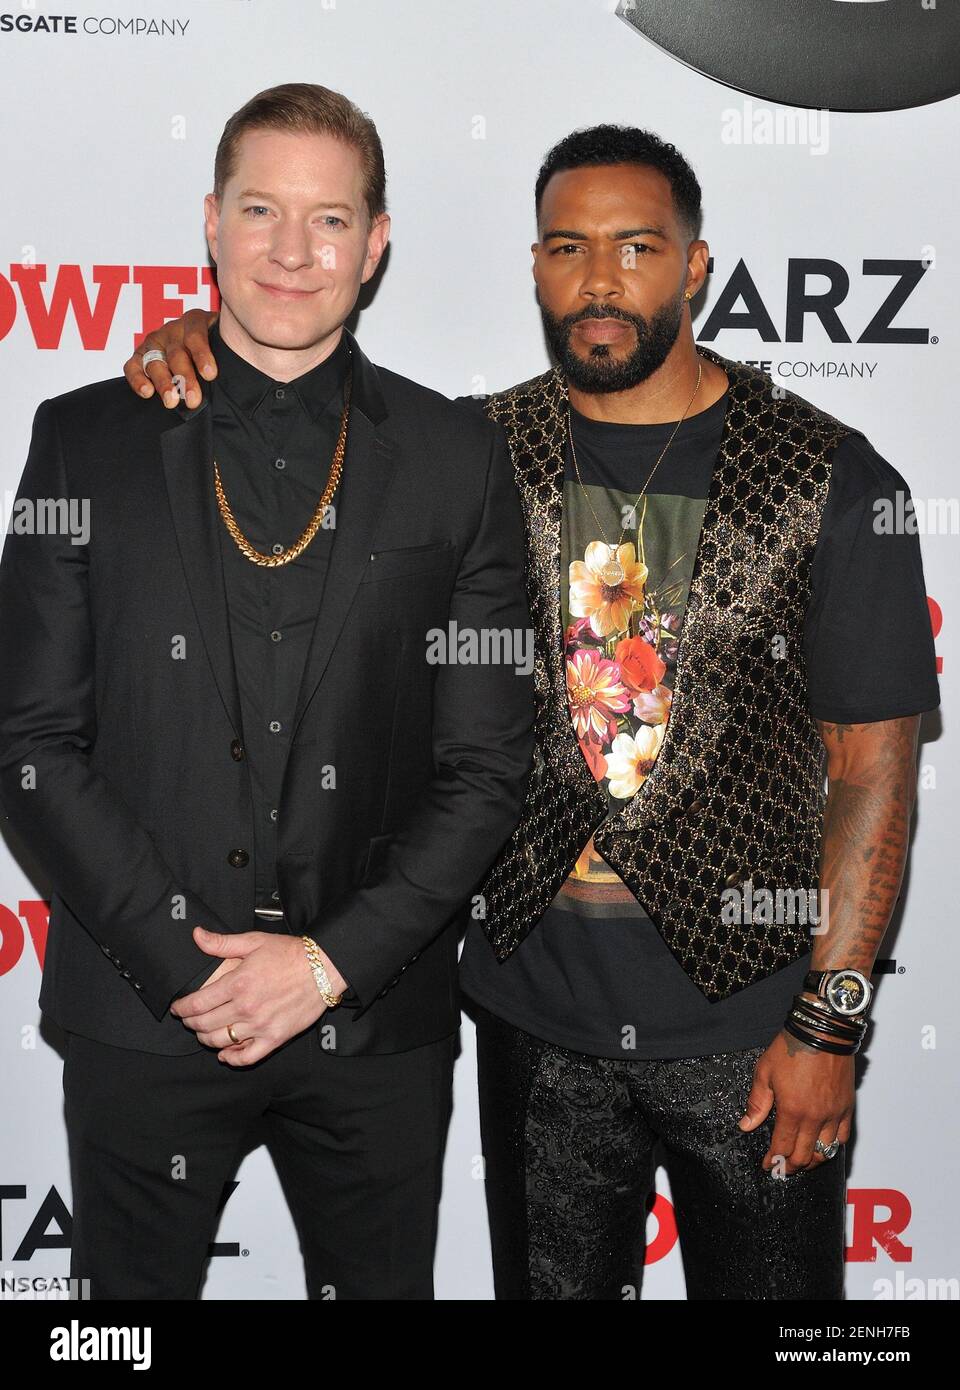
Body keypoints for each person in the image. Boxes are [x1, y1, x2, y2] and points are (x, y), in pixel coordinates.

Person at [118, 125, 940, 1302]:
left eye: (637, 247)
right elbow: (294, 407)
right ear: (536, 265)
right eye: (567, 246)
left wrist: (831, 1024)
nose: (599, 278)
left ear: (697, 266)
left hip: (752, 1027)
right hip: (530, 1016)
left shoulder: (834, 477)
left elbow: (874, 772)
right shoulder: (466, 449)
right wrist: (205, 345)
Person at [0, 82, 534, 1301]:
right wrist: (185, 966)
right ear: (210, 223)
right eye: (261, 212)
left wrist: (325, 966)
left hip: (375, 1024)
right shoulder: (82, 440)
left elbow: (486, 766)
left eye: (331, 220)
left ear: (377, 241)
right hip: (146, 1019)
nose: (294, 253)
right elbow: (30, 738)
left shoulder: (457, 462)